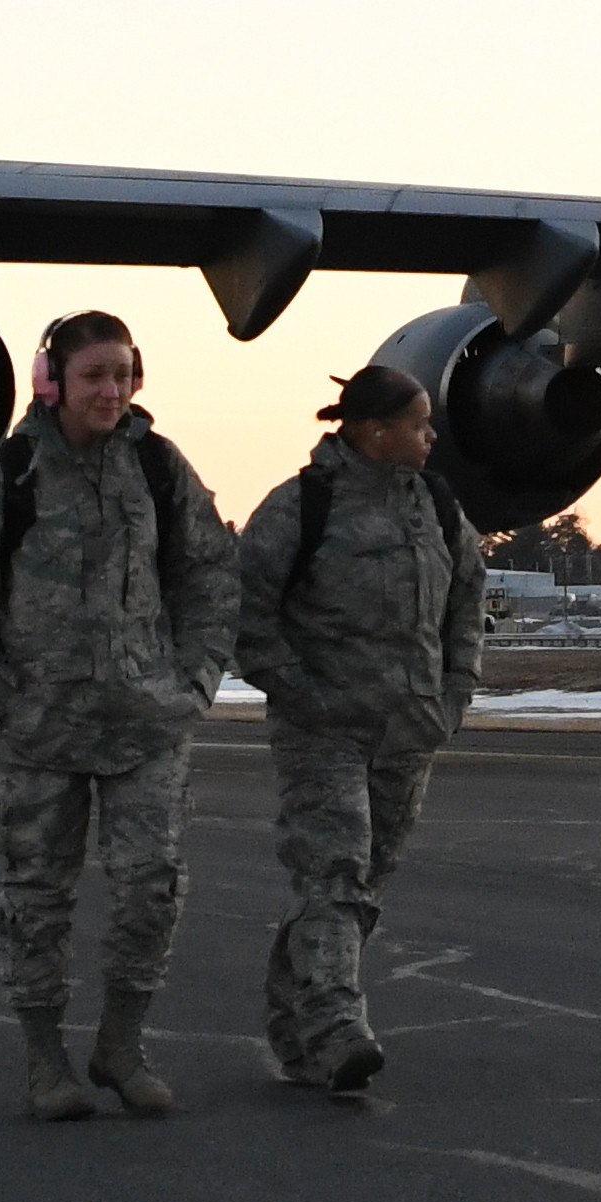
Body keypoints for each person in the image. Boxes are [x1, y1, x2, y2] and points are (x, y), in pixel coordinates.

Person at [0, 312, 237, 1119]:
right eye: (95, 374)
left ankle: (121, 1045)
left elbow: (209, 577)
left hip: (146, 723)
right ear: (52, 381)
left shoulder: (160, 467)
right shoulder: (10, 474)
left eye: (123, 373)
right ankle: (45, 1062)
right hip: (42, 731)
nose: (111, 390)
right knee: (37, 900)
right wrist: (0, 694)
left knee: (151, 888)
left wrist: (195, 680)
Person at [233, 360, 486, 1090]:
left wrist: (454, 693)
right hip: (324, 732)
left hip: (409, 731)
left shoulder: (438, 507)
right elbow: (246, 611)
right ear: (374, 431)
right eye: (419, 424)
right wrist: (301, 693)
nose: (431, 437)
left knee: (360, 882)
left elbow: (467, 599)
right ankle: (338, 1027)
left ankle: (295, 1027)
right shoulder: (300, 506)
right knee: (334, 870)